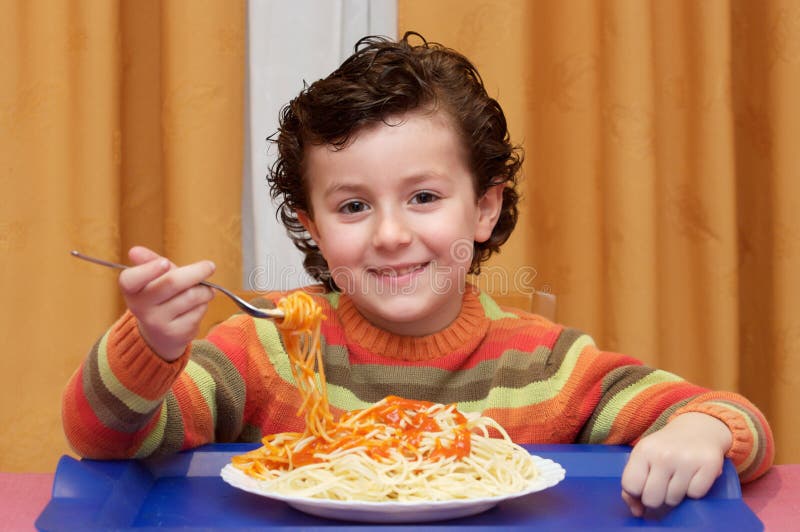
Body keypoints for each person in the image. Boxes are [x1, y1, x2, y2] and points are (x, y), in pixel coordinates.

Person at [62, 32, 773, 517]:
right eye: (352, 205)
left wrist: (702, 433)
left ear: (484, 210)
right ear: (311, 228)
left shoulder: (547, 366)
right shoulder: (266, 350)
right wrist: (151, 347)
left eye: (424, 197)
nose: (392, 234)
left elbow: (732, 420)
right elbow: (111, 440)